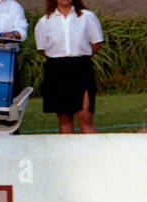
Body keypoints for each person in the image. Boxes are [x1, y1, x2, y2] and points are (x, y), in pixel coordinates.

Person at [34, 0, 103, 134]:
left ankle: (93, 154)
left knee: (85, 116)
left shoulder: (87, 16)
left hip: (82, 68)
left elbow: (96, 43)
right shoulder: (44, 21)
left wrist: (79, 56)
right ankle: (68, 153)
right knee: (65, 118)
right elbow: (42, 49)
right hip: (57, 71)